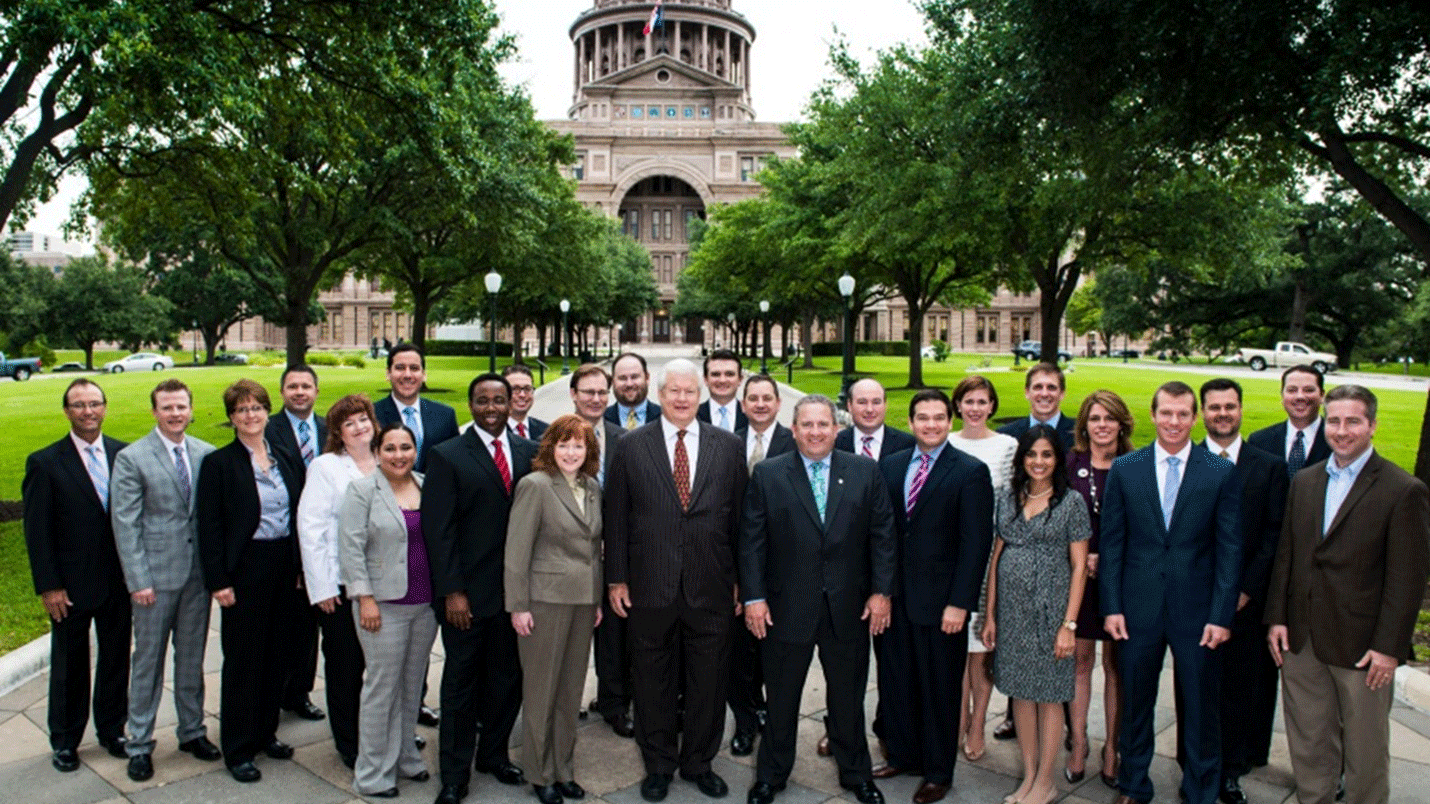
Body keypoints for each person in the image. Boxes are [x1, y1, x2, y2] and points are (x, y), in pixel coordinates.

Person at [1266, 385, 1429, 804]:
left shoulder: (1402, 489)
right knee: (1308, 741)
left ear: (1372, 425)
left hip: (1362, 648)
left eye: (1353, 421)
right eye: (1334, 420)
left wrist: (1389, 648)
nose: (1342, 430)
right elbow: (1289, 554)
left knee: (1365, 751)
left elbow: (1406, 579)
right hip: (1302, 639)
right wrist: (1277, 618)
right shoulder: (1305, 481)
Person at [740, 394, 895, 804]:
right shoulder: (769, 474)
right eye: (806, 425)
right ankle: (771, 776)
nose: (815, 432)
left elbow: (883, 536)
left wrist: (882, 593)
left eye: (823, 424)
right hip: (785, 608)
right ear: (794, 430)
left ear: (836, 429)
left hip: (848, 607)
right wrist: (754, 598)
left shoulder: (864, 472)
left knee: (847, 697)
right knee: (782, 699)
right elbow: (752, 543)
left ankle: (856, 774)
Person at [605, 358, 747, 802]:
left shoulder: (728, 446)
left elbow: (741, 520)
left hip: (712, 586)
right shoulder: (630, 446)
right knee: (651, 678)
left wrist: (744, 581)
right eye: (673, 392)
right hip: (650, 586)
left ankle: (699, 762)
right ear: (659, 394)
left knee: (709, 679)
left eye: (689, 391)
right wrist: (616, 580)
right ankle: (659, 763)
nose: (682, 399)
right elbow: (617, 517)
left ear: (700, 393)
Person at [1100, 382, 1241, 804]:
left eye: (1183, 414)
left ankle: (1201, 787)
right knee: (1136, 701)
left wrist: (1221, 614)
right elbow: (1112, 544)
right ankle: (1133, 783)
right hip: (1136, 606)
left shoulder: (1218, 471)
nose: (1174, 422)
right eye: (1166, 413)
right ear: (1154, 414)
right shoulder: (1127, 468)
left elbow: (1229, 549)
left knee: (1200, 705)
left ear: (1194, 417)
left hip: (1197, 610)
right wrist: (1111, 606)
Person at [874, 390, 994, 804]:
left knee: (941, 688)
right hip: (894, 601)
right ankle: (903, 756)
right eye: (922, 418)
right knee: (897, 681)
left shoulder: (969, 471)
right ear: (910, 422)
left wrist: (960, 604)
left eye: (939, 417)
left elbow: (975, 544)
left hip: (943, 605)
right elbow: (882, 535)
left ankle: (938, 771)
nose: (930, 424)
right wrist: (879, 592)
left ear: (950, 420)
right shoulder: (889, 467)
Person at [424, 373, 537, 804]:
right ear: (470, 405)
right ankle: (454, 774)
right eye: (483, 400)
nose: (492, 408)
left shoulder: (530, 452)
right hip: (467, 597)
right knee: (460, 687)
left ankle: (493, 753)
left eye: (500, 400)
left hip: (516, 596)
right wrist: (452, 591)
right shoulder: (447, 455)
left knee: (508, 680)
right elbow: (440, 530)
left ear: (511, 404)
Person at [110, 378, 221, 781]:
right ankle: (139, 742)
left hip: (197, 578)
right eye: (168, 407)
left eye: (181, 407)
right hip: (154, 580)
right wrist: (138, 579)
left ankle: (192, 731)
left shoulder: (205, 453)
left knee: (191, 660)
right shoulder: (133, 457)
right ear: (155, 411)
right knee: (148, 662)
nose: (176, 414)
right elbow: (125, 523)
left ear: (191, 410)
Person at [197, 379, 305, 783]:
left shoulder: (284, 457)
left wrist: (299, 567)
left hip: (283, 564)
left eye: (257, 407)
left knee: (277, 654)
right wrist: (218, 580)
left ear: (267, 411)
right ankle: (239, 747)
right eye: (241, 410)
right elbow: (208, 526)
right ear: (231, 418)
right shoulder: (219, 464)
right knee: (244, 659)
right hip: (244, 568)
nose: (250, 415)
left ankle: (265, 733)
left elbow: (299, 515)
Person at [23, 379, 132, 773]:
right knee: (69, 663)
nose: (88, 411)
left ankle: (112, 730)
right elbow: (37, 532)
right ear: (67, 411)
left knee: (117, 657)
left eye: (94, 403)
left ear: (105, 407)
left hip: (119, 580)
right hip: (69, 584)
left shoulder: (124, 454)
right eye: (79, 405)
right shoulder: (46, 462)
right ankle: (66, 740)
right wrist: (49, 585)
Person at [1189, 379, 1287, 804]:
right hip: (1193, 599)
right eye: (1214, 407)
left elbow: (1274, 534)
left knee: (1237, 690)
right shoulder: (1185, 462)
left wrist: (1244, 590)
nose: (1222, 414)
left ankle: (1230, 771)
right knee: (1194, 691)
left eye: (1230, 406)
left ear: (1242, 409)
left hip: (1245, 603)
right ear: (1202, 413)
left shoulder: (1268, 467)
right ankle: (1194, 769)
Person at [982, 425, 1089, 804]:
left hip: (1051, 614)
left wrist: (1069, 625)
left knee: (1049, 696)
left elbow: (1079, 567)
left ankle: (1046, 780)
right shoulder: (1007, 498)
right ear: (1021, 459)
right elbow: (997, 557)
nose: (1038, 462)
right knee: (1021, 696)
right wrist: (990, 615)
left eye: (1046, 455)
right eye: (1031, 455)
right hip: (1012, 615)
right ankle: (1029, 777)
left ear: (1057, 459)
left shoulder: (1071, 502)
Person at [504, 415, 605, 804]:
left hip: (583, 602)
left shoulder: (592, 487)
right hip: (544, 603)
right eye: (563, 444)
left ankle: (563, 769)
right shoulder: (535, 486)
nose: (571, 452)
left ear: (588, 450)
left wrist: (595, 600)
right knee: (541, 692)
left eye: (578, 445)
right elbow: (517, 551)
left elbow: (594, 550)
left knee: (570, 693)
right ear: (550, 447)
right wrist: (519, 605)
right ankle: (539, 772)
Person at [339, 422, 438, 799]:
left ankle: (406, 757)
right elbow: (350, 548)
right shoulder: (363, 490)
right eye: (391, 448)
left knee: (411, 686)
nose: (399, 455)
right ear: (378, 452)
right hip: (382, 607)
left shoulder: (427, 485)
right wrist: (364, 597)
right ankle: (373, 774)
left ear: (416, 450)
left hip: (424, 604)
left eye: (406, 448)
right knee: (381, 690)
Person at [296, 393, 379, 769]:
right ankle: (349, 741)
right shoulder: (327, 467)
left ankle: (381, 732)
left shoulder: (389, 459)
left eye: (363, 419)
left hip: (386, 585)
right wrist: (322, 588)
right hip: (342, 585)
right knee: (346, 666)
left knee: (382, 668)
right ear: (338, 433)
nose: (359, 427)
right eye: (350, 423)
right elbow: (310, 527)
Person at [1065, 390, 1135, 787]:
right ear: (1084, 424)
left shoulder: (1136, 464)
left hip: (1121, 580)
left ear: (1122, 423)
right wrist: (1083, 556)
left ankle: (1112, 747)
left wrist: (1105, 556)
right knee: (1079, 662)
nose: (1102, 425)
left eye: (1109, 418)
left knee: (1116, 667)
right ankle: (1078, 744)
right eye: (1095, 418)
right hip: (1076, 579)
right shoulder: (1070, 463)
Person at [945, 376, 1017, 763]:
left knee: (981, 648)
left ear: (992, 406)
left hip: (992, 553)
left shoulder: (1007, 446)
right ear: (957, 406)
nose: (975, 408)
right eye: (968, 401)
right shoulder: (947, 442)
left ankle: (977, 725)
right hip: (952, 556)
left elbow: (1010, 502)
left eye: (982, 401)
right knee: (956, 647)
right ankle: (956, 721)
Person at [727, 373, 793, 758]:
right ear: (743, 403)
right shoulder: (727, 443)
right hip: (739, 564)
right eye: (753, 398)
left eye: (767, 398)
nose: (761, 404)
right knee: (741, 652)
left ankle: (772, 713)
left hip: (783, 567)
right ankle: (745, 719)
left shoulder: (793, 441)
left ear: (778, 403)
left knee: (777, 648)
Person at [569, 363, 633, 737]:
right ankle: (567, 701)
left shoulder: (624, 439)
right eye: (587, 392)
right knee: (572, 632)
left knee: (613, 635)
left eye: (601, 392)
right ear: (573, 394)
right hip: (570, 555)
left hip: (613, 553)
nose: (595, 399)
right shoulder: (555, 436)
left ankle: (614, 703)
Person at [267, 363, 327, 723]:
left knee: (310, 625)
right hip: (282, 537)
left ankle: (299, 693)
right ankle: (274, 690)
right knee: (281, 623)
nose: (300, 392)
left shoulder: (327, 430)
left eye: (306, 386)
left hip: (320, 537)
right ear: (283, 392)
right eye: (293, 386)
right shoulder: (268, 429)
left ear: (316, 391)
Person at [375, 343, 460, 473]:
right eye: (400, 368)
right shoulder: (371, 416)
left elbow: (455, 463)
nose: (407, 375)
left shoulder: (445, 415)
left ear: (423, 375)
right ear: (388, 373)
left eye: (414, 368)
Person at [1247, 364, 1331, 477]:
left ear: (1322, 396)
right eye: (1292, 390)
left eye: (1308, 390)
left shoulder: (1338, 439)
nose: (1300, 396)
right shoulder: (1259, 441)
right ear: (1282, 396)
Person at [996, 363, 1076, 450]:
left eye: (1051, 387)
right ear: (1027, 392)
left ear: (1062, 394)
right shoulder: (1005, 436)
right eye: (1038, 387)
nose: (1044, 394)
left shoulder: (1079, 436)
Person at [836, 378, 917, 459]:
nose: (869, 409)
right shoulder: (834, 444)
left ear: (885, 405)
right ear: (849, 405)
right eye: (862, 402)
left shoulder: (908, 445)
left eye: (876, 402)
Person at [606, 351, 662, 430]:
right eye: (622, 378)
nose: (629, 384)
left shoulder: (665, 417)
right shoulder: (601, 419)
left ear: (647, 378)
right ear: (613, 381)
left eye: (634, 377)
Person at [697, 348, 748, 432]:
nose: (722, 380)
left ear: (740, 379)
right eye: (716, 374)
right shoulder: (692, 416)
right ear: (705, 379)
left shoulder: (752, 416)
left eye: (729, 374)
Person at [505, 364, 549, 441]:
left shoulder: (547, 431)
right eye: (515, 389)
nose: (522, 394)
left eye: (527, 388)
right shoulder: (493, 431)